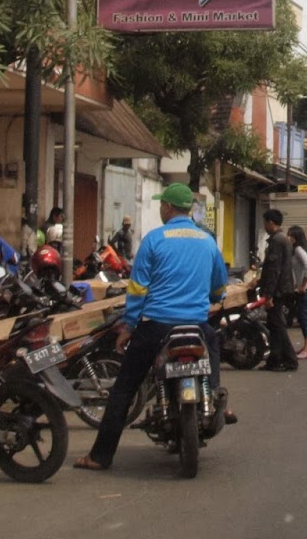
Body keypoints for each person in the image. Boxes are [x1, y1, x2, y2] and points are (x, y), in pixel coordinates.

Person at [75, 182, 229, 471]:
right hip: (196, 326)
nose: (160, 209)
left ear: (168, 207)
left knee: (124, 389)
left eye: (161, 205)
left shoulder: (154, 240)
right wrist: (212, 299)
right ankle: (215, 395)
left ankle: (100, 456)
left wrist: (129, 326)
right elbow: (219, 285)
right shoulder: (208, 241)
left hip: (156, 327)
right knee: (213, 344)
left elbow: (137, 290)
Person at [257, 209, 299, 372]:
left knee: (277, 325)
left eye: (265, 222)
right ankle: (274, 360)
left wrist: (268, 295)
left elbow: (274, 270)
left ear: (270, 222)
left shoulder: (277, 241)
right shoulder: (284, 239)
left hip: (277, 290)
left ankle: (290, 359)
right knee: (274, 326)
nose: (264, 226)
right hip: (282, 288)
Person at [287, 225, 307, 361]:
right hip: (306, 288)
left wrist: (303, 284)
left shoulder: (299, 249)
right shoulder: (299, 249)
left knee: (305, 318)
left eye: (290, 235)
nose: (288, 238)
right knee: (302, 317)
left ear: (295, 237)